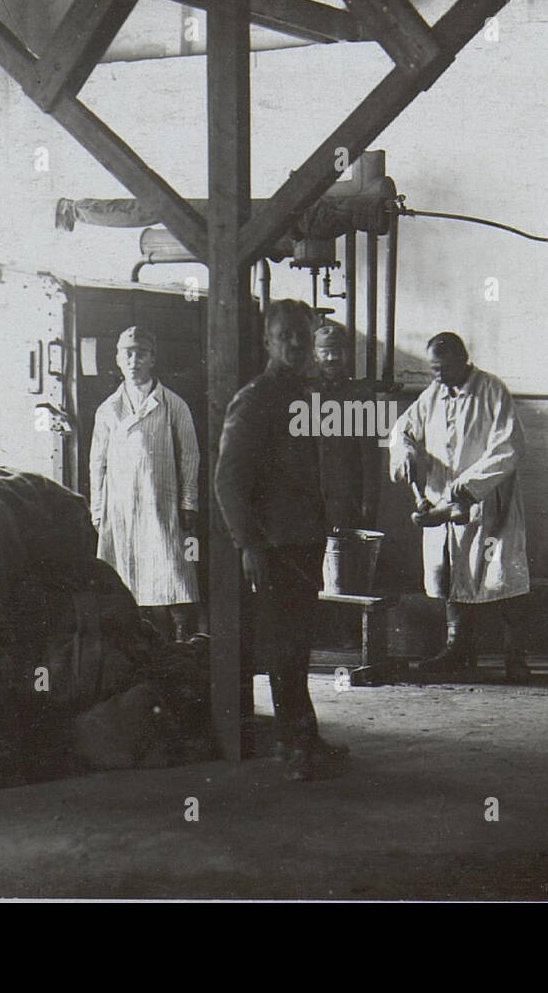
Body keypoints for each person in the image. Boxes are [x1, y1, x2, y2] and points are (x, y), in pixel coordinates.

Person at [215, 299, 348, 782]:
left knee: (299, 643)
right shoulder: (255, 398)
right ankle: (294, 749)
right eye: (284, 334)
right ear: (268, 341)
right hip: (273, 545)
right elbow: (228, 480)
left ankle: (305, 738)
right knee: (283, 646)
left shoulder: (309, 396)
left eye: (302, 334)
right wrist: (248, 543)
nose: (295, 342)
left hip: (306, 539)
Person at [389, 332, 532, 682]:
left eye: (441, 369)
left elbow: (508, 448)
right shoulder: (433, 395)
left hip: (488, 501)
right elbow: (402, 430)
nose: (435, 376)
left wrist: (464, 490)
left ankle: (516, 657)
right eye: (431, 369)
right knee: (453, 574)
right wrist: (405, 452)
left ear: (461, 360)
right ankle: (458, 651)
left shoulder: (491, 390)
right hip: (444, 504)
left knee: (501, 577)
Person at [89, 326, 201, 643]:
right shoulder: (109, 410)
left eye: (142, 353)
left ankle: (182, 640)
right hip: (121, 509)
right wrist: (98, 510)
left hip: (161, 503)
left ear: (153, 359)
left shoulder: (173, 405)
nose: (134, 360)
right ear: (118, 360)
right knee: (128, 577)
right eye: (128, 353)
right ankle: (141, 645)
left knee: (174, 573)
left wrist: (188, 503)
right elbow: (98, 463)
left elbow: (190, 456)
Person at [313, 319, 381, 531]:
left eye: (338, 351)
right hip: (305, 499)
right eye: (326, 352)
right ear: (315, 354)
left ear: (347, 354)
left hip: (346, 501)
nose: (332, 358)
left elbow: (371, 457)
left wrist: (369, 503)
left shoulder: (360, 397)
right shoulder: (302, 393)